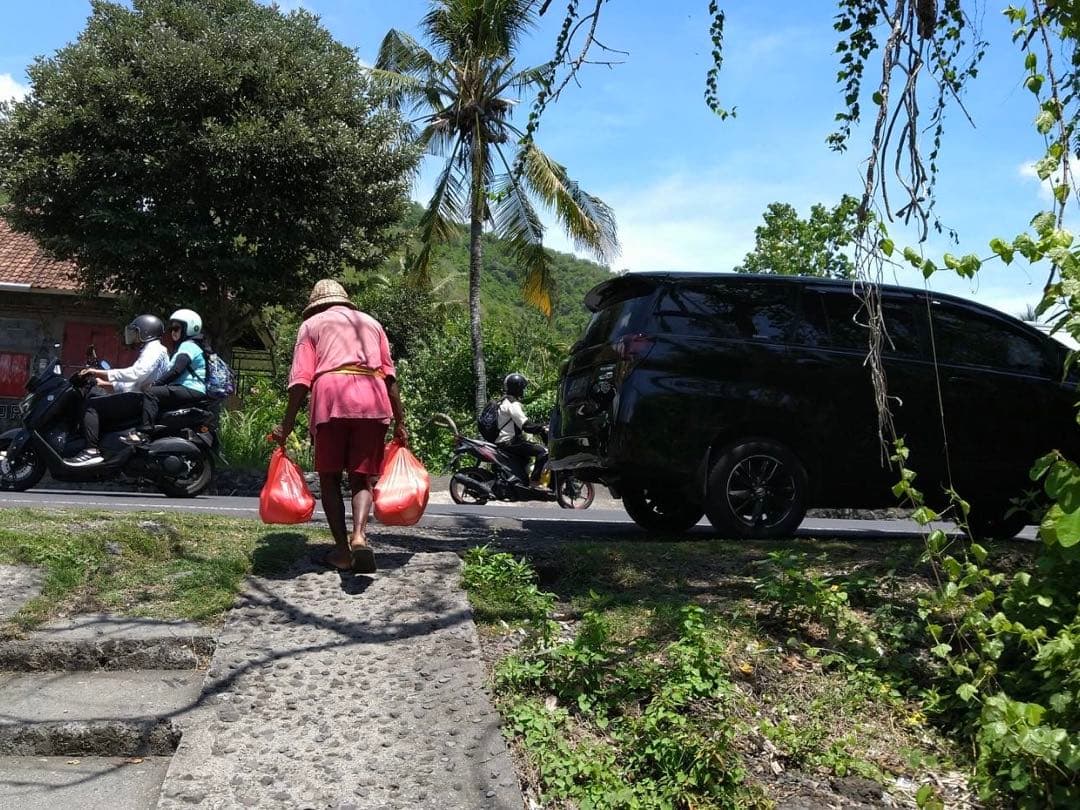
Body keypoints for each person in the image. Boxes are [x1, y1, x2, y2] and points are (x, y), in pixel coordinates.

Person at [272, 279, 407, 574]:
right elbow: (390, 378)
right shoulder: (372, 324)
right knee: (362, 480)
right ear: (345, 301)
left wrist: (287, 424)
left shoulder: (311, 326)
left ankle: (343, 553)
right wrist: (401, 422)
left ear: (316, 305)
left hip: (331, 400)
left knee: (330, 478)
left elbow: (300, 382)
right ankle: (359, 535)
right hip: (373, 400)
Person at [68, 314, 171, 466]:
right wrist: (105, 384)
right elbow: (136, 382)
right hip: (140, 397)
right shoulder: (152, 350)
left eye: (136, 332)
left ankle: (91, 451)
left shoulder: (155, 349)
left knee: (91, 406)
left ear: (146, 332)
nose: (134, 336)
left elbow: (136, 373)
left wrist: (98, 372)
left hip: (141, 400)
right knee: (98, 399)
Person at [123, 308, 208, 443]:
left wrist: (155, 384)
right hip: (186, 389)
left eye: (176, 328)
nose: (173, 332)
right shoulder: (188, 346)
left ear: (189, 328)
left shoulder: (188, 346)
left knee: (151, 393)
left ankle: (144, 433)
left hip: (191, 388)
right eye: (171, 329)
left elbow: (176, 370)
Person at [496, 372, 549, 485]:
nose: (523, 391)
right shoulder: (512, 405)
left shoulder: (504, 401)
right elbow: (526, 426)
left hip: (503, 440)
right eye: (522, 388)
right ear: (518, 388)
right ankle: (534, 482)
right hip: (509, 441)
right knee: (543, 451)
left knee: (527, 457)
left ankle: (522, 480)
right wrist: (543, 427)